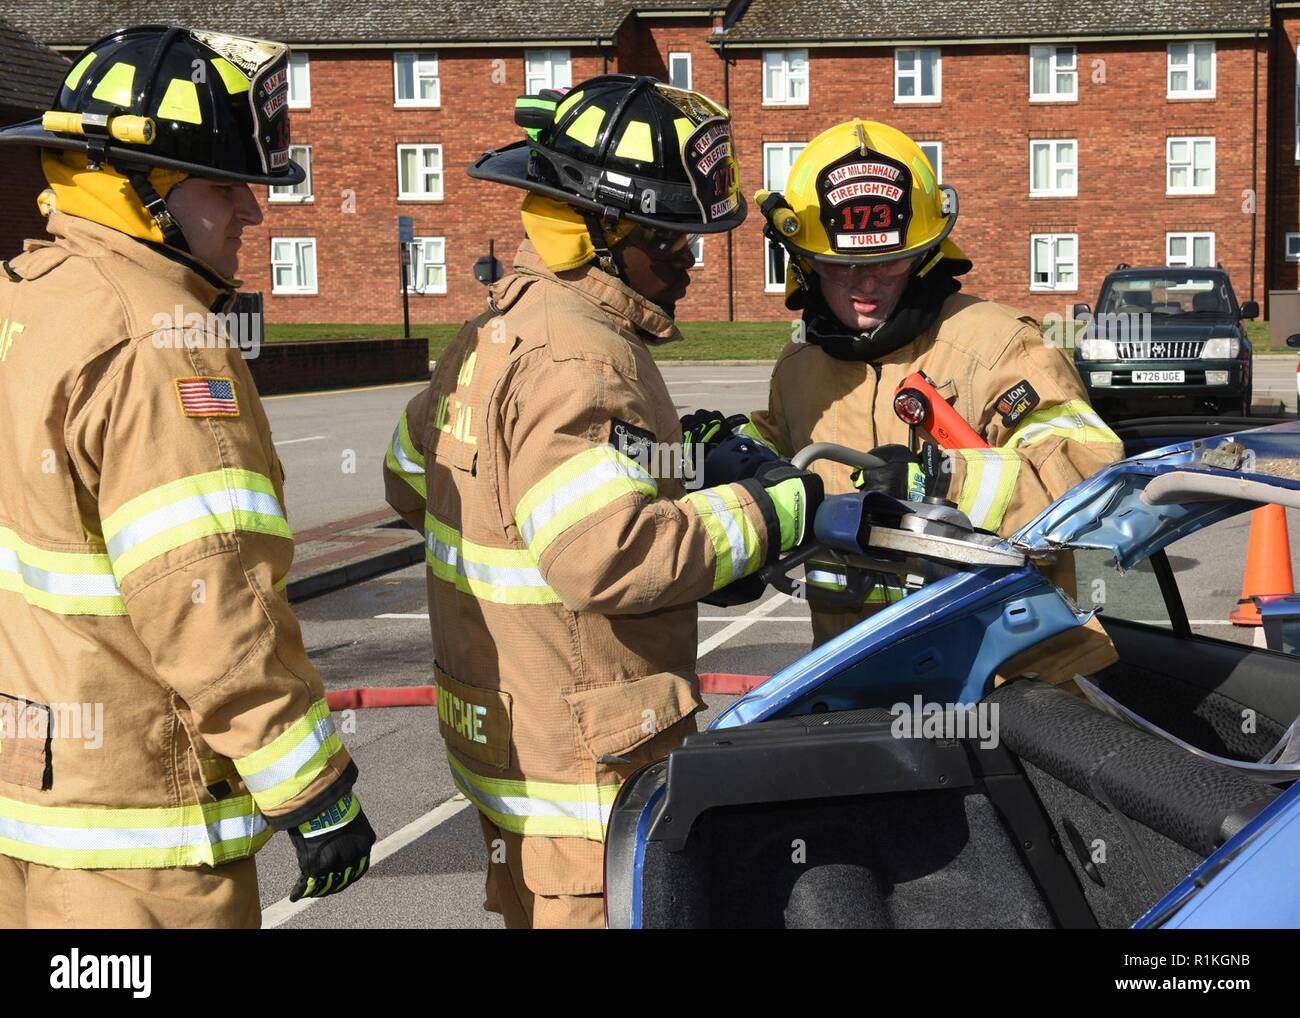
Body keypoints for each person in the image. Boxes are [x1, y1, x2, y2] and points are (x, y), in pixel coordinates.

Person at [383, 74, 822, 928]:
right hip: (590, 787)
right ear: (602, 234)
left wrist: (661, 464)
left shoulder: (495, 331)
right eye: (672, 245)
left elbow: (408, 478)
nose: (691, 266)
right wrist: (776, 512)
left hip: (511, 753)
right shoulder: (586, 357)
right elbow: (604, 556)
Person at [0, 25, 373, 928]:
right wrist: (311, 787)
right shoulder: (159, 342)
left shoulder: (27, 297)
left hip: (33, 804)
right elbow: (206, 593)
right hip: (141, 839)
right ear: (140, 189)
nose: (251, 215)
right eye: (222, 188)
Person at [686, 120, 1124, 682]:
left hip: (1016, 676)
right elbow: (784, 458)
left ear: (925, 255)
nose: (864, 286)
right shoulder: (800, 367)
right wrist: (726, 459)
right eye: (840, 265)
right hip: (857, 673)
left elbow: (1093, 477)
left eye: (887, 264)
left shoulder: (1000, 345)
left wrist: (939, 483)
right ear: (802, 263)